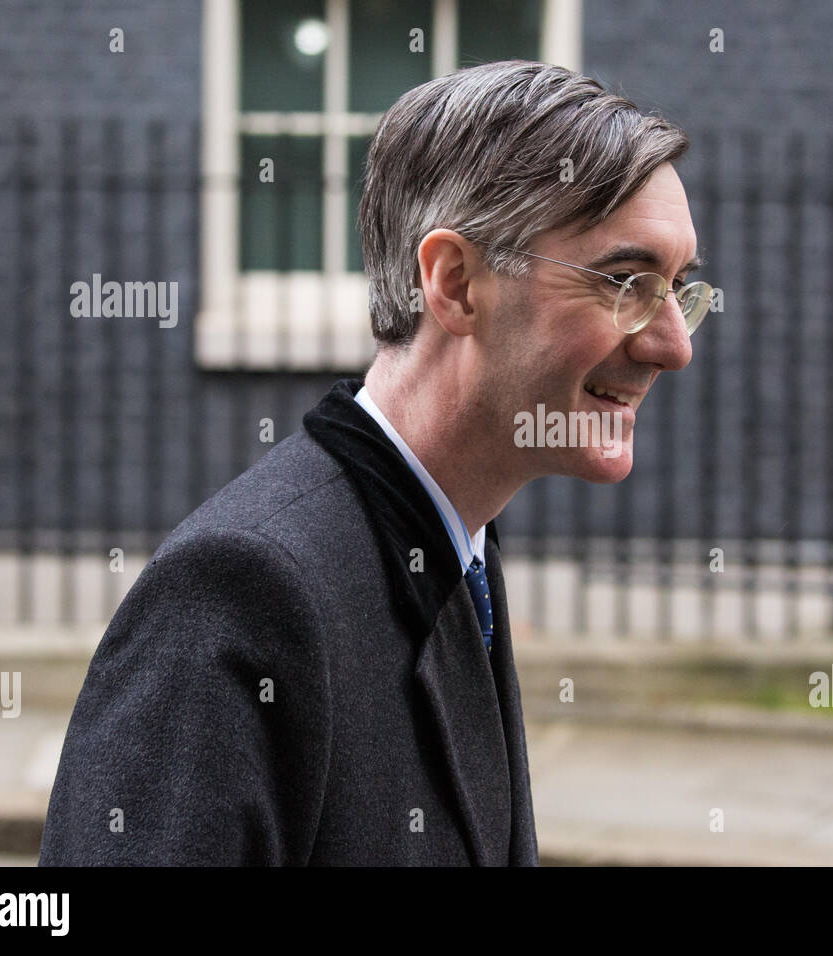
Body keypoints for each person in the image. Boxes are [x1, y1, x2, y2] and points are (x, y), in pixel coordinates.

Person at [39, 58, 710, 866]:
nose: (673, 346)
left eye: (681, 290)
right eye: (625, 282)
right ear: (457, 285)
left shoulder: (455, 543)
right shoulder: (244, 590)